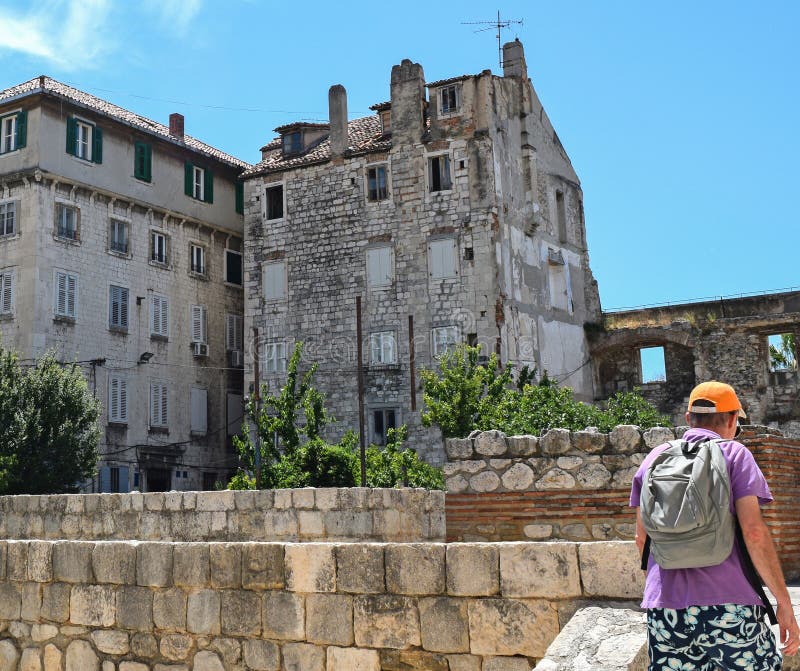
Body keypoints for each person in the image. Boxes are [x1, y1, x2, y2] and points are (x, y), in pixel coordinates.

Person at [630, 380, 799, 670]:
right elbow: (754, 533)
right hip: (730, 606)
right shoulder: (734, 454)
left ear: (688, 419)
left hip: (666, 611)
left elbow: (641, 539)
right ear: (733, 418)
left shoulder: (654, 459)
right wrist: (783, 601)